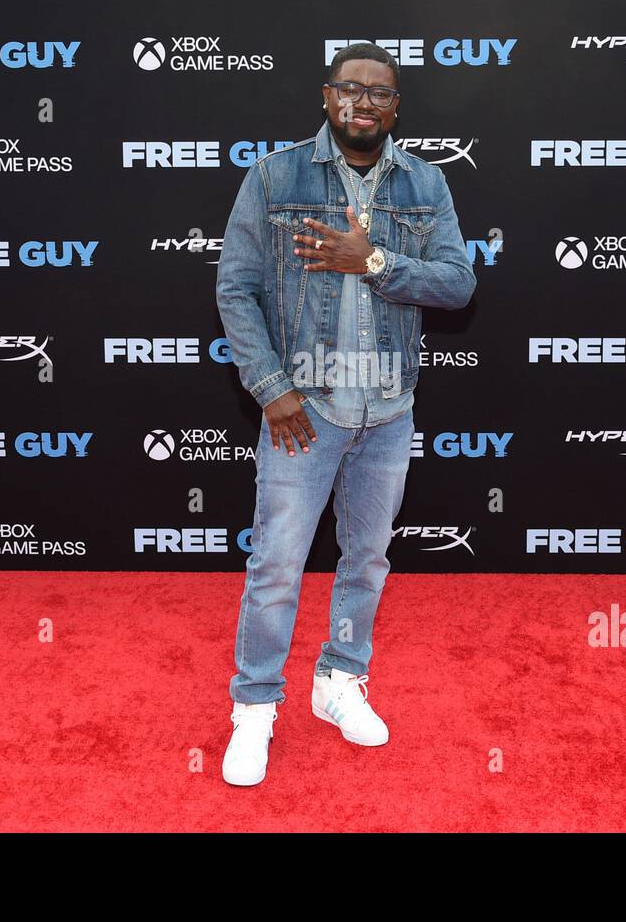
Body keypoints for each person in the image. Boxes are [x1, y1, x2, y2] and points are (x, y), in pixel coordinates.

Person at [214, 42, 475, 786]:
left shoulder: (426, 185)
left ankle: (339, 680)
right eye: (349, 89)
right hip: (308, 409)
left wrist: (378, 262)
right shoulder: (274, 176)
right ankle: (256, 706)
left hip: (388, 411)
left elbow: (458, 285)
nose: (363, 103)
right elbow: (236, 290)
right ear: (327, 97)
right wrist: (272, 388)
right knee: (276, 567)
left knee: (365, 559)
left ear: (397, 108)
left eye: (379, 94)